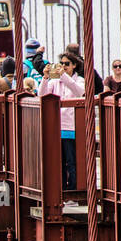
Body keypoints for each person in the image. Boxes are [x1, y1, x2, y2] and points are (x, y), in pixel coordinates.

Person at [38, 61, 86, 192]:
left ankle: (73, 189)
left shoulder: (79, 80)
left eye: (67, 63)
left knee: (72, 161)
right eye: (61, 64)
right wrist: (45, 77)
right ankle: (62, 189)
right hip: (56, 127)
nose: (63, 66)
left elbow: (79, 91)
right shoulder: (54, 82)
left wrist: (64, 76)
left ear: (74, 65)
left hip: (72, 127)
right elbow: (42, 96)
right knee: (59, 162)